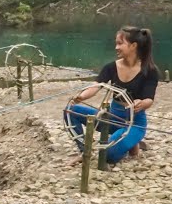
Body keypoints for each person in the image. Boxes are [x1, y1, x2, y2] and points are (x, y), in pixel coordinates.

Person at [65, 26, 158, 164]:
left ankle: (131, 140)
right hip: (110, 119)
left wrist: (142, 103)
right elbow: (96, 86)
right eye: (116, 43)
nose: (116, 47)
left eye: (120, 43)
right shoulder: (111, 67)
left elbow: (149, 99)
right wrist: (82, 97)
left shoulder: (150, 71)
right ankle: (85, 151)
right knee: (70, 110)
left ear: (133, 45)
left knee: (108, 156)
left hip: (134, 123)